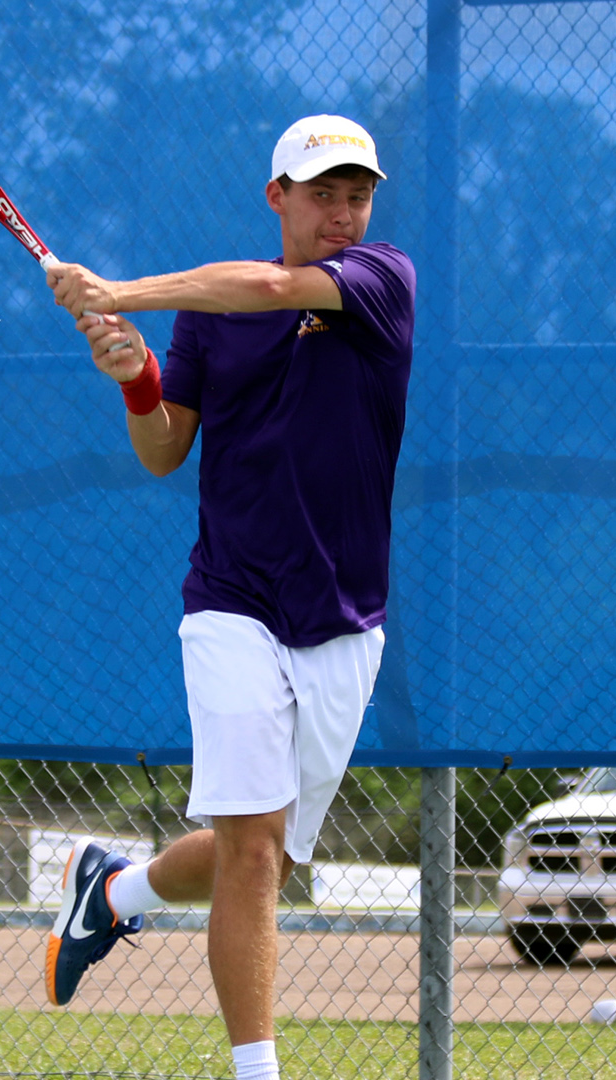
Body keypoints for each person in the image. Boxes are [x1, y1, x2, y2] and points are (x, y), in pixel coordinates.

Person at [40, 114, 414, 1080]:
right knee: (251, 858)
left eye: (356, 193)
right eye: (322, 193)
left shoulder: (381, 284)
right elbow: (167, 449)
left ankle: (113, 893)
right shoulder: (207, 317)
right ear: (276, 197)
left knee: (270, 857)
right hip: (231, 603)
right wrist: (137, 380)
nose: (342, 212)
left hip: (344, 619)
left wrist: (116, 290)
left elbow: (268, 288)